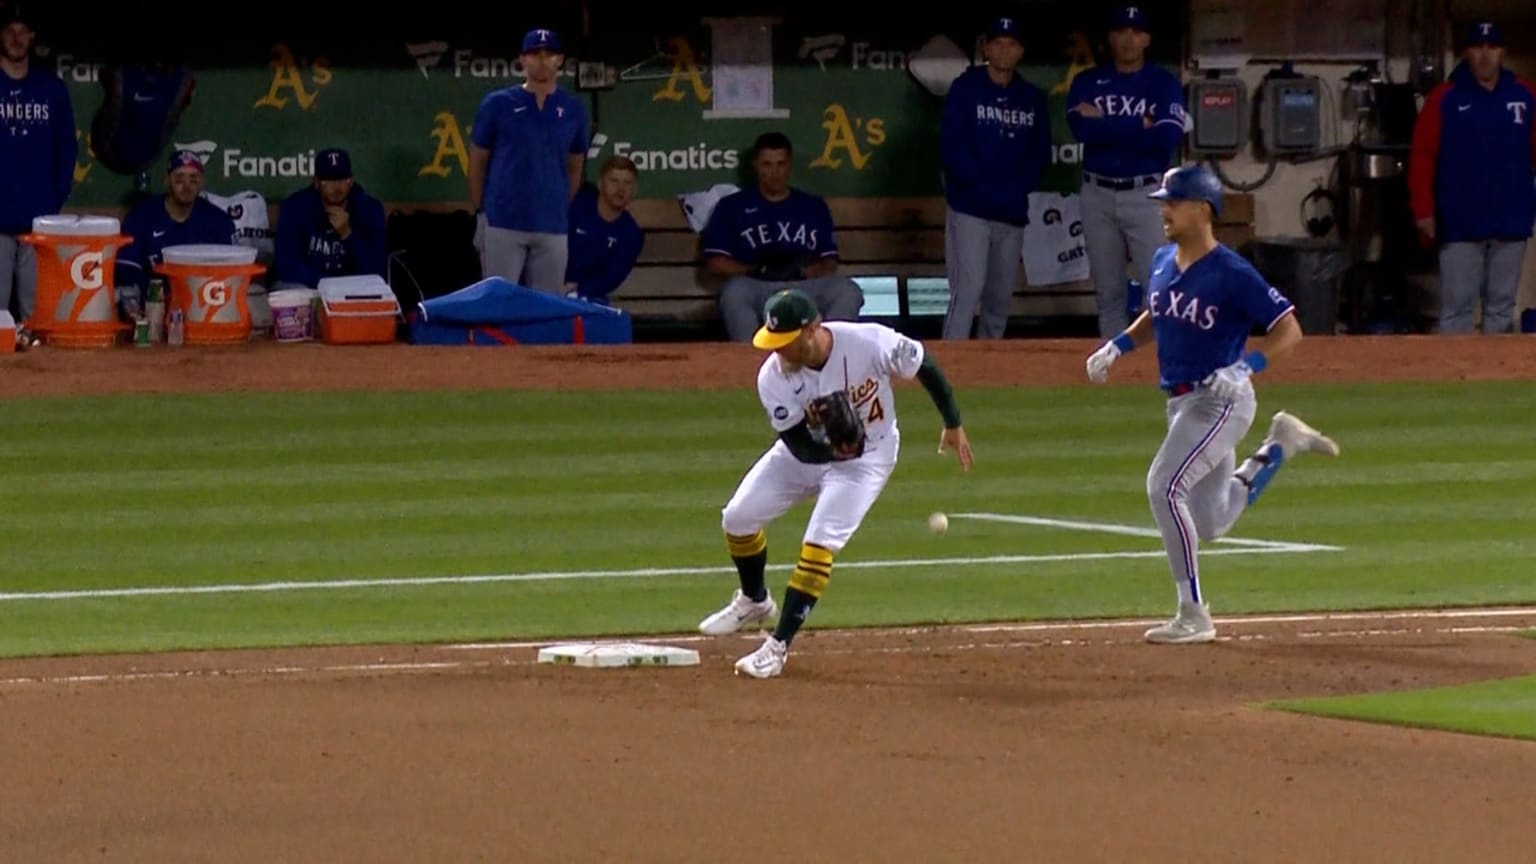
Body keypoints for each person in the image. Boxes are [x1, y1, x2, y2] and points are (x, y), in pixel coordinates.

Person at [1083, 165, 1341, 644]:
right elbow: (1156, 314)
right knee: (1213, 520)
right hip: (1179, 402)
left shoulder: (1232, 273)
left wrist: (1246, 366)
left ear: (1203, 210)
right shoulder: (1163, 260)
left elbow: (1290, 329)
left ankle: (1193, 612)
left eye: (1173, 203)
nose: (1164, 210)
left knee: (1164, 486)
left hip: (1220, 400)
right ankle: (1279, 445)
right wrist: (1117, 346)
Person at [698, 288, 975, 678]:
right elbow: (797, 443)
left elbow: (923, 362)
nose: (778, 352)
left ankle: (777, 648)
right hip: (810, 455)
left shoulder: (869, 343)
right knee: (737, 518)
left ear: (812, 330)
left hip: (868, 460)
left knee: (818, 546)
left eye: (785, 343)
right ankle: (754, 600)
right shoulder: (773, 377)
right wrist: (834, 452)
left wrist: (952, 422)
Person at [1067, 5, 1189, 339]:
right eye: (1121, 31)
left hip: (1146, 194)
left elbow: (1166, 137)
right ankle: (1114, 368)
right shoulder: (1088, 81)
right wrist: (1139, 124)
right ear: (1110, 38)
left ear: (1146, 39)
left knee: (1159, 289)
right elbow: (1081, 130)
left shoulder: (1162, 82)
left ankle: (1165, 364)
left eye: (1136, 32)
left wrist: (1104, 123)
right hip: (1098, 194)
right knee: (1108, 294)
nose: (1128, 39)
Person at [1408, 19, 1536, 335]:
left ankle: (1490, 381)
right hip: (1461, 223)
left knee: (1501, 309)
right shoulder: (1444, 98)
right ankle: (1452, 381)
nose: (1484, 55)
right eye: (1478, 47)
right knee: (1457, 311)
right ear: (1467, 52)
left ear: (1502, 52)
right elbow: (1422, 157)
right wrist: (1424, 210)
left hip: (1511, 220)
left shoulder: (1525, 95)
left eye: (1492, 47)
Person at [938, 16, 1052, 340]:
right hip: (970, 208)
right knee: (967, 292)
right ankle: (951, 370)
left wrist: (1014, 191)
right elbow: (952, 150)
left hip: (1011, 212)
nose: (1004, 50)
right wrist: (988, 189)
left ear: (1020, 51)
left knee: (999, 301)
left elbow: (1039, 154)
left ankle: (989, 378)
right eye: (998, 42)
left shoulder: (1032, 97)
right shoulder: (965, 89)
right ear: (986, 47)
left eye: (1011, 43)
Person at [703, 132, 864, 342]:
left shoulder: (812, 206)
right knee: (734, 293)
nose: (775, 173)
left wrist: (808, 271)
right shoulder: (732, 206)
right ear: (755, 165)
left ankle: (827, 355)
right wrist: (753, 269)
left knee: (847, 290)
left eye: (781, 164)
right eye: (767, 165)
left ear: (790, 165)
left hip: (803, 285)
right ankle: (750, 362)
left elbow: (829, 260)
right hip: (757, 286)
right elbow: (715, 262)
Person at [469, 28, 589, 294]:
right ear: (523, 60)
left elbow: (575, 166)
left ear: (560, 60)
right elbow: (477, 161)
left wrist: (556, 203)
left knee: (545, 308)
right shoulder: (497, 104)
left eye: (549, 54)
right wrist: (482, 212)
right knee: (498, 303)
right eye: (535, 54)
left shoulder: (573, 108)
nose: (542, 60)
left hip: (552, 226)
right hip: (503, 221)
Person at [0, 1, 76, 323]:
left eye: (23, 32)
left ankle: (41, 375)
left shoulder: (51, 89)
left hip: (39, 225)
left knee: (38, 320)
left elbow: (67, 150)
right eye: (9, 31)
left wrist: (52, 203)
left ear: (32, 37)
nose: (16, 38)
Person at [115, 150, 237, 316]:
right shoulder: (142, 216)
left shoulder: (218, 221)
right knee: (126, 293)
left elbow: (232, 274)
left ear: (201, 182)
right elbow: (127, 269)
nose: (186, 186)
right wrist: (155, 296)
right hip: (152, 306)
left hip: (204, 304)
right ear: (167, 181)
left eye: (193, 179)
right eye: (179, 179)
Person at [272, 148, 388, 291]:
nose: (336, 187)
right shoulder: (296, 208)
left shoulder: (369, 210)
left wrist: (348, 235)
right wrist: (328, 285)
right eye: (328, 180)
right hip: (310, 289)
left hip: (353, 291)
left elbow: (376, 273)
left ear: (351, 181)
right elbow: (287, 266)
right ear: (316, 182)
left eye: (342, 179)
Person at [564, 155, 644, 304]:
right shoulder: (578, 203)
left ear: (635, 189)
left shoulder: (632, 234)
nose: (621, 189)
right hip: (551, 283)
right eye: (614, 181)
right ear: (600, 183)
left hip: (589, 297)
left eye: (627, 183)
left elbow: (611, 278)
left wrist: (579, 291)